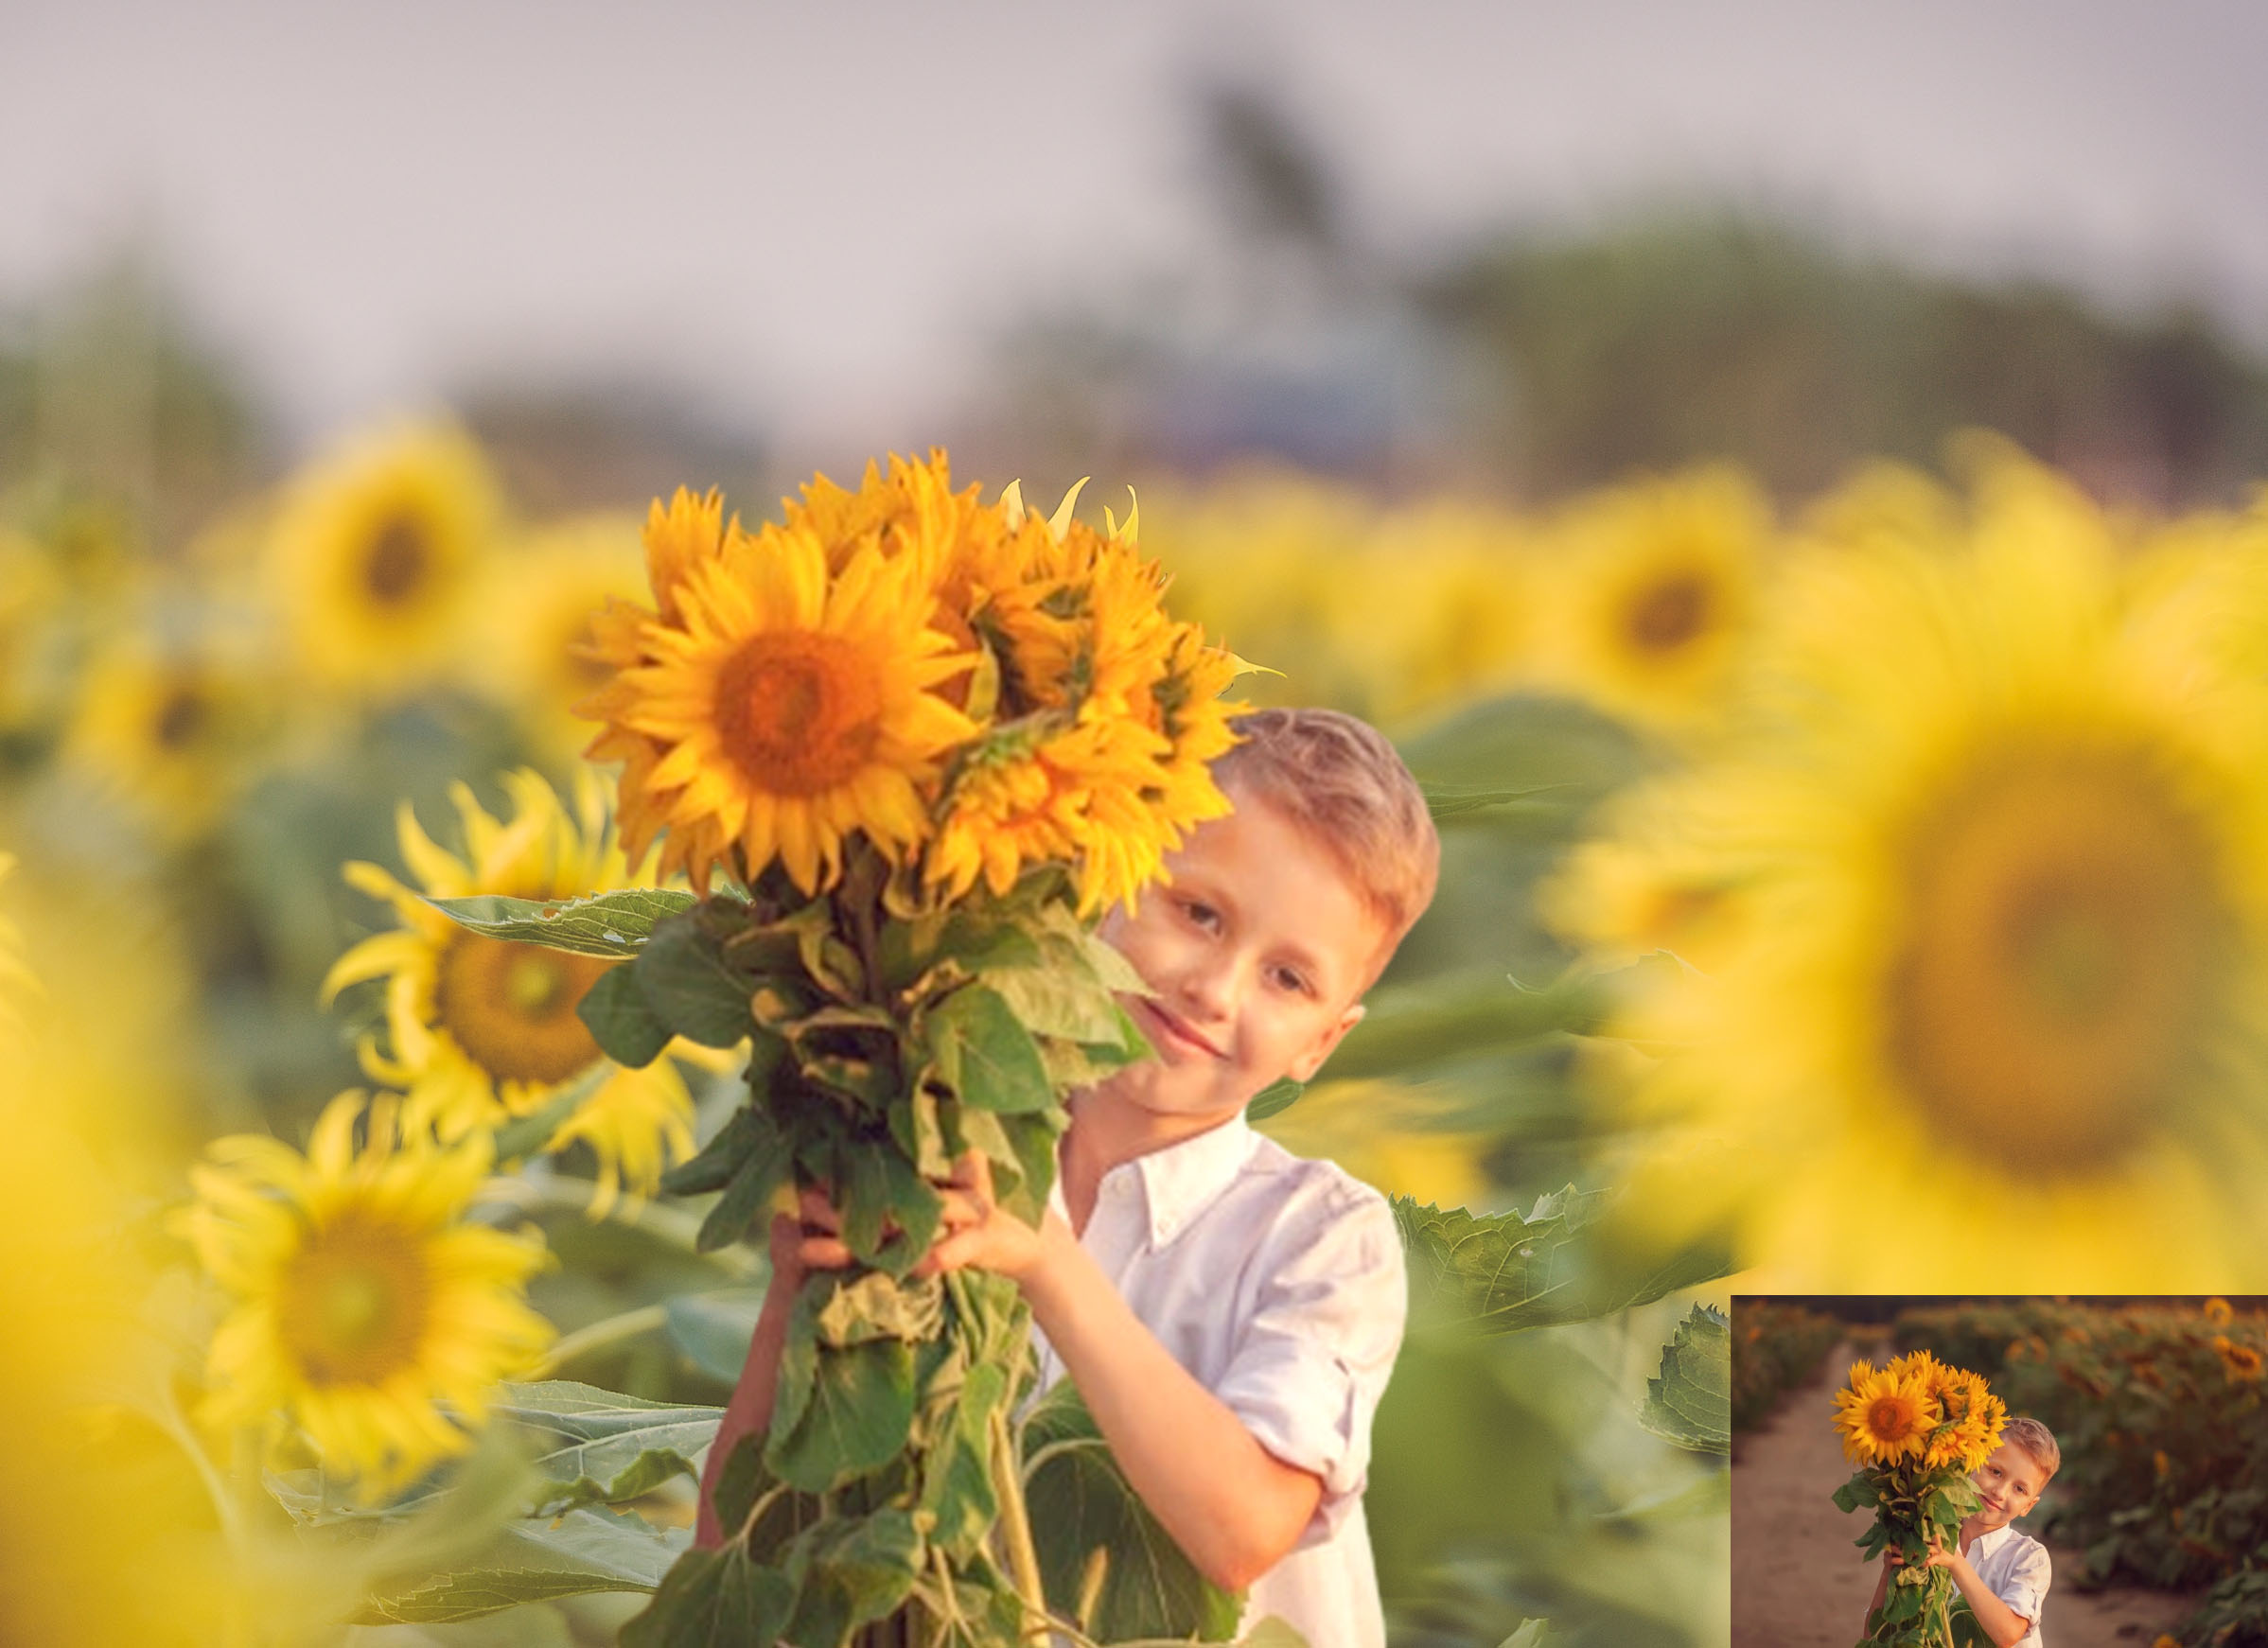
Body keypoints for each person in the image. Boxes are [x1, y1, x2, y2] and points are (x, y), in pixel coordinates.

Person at [694, 706, 1440, 1648]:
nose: (1216, 987)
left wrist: (1047, 1264)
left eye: (1288, 979)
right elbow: (736, 1553)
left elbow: (1244, 1527)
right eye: (1199, 912)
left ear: (1323, 1043)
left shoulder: (1324, 1234)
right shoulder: (949, 1152)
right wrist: (794, 1296)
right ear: (1107, 883)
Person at [1868, 1419, 2060, 1647]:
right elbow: (1874, 1636)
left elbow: (2008, 1634)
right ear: (1973, 1463)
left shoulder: (2029, 1557)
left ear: (2029, 1506)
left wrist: (1955, 1563)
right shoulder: (1932, 1533)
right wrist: (1888, 1573)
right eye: (1996, 1472)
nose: (1999, 1492)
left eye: (2019, 1489)